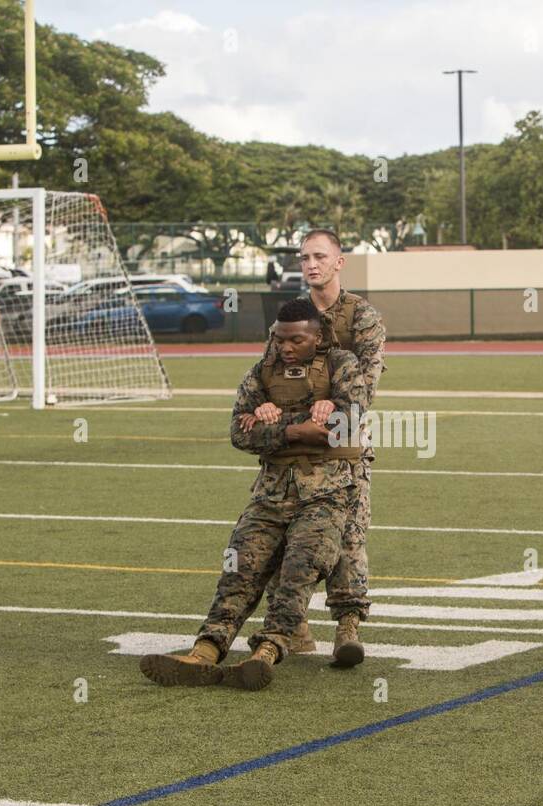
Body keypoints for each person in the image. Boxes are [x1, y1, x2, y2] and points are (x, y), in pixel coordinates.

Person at [139, 298, 367, 690]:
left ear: (316, 338)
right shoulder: (261, 373)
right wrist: (298, 428)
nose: (286, 347)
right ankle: (206, 650)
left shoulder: (342, 366)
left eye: (296, 339)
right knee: (238, 568)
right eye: (280, 339)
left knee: (299, 573)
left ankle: (267, 652)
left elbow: (344, 425)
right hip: (270, 492)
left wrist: (277, 422)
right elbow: (239, 433)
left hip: (326, 493)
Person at [261, 228, 385, 662]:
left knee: (349, 539)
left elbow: (367, 386)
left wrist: (334, 400)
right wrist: (267, 413)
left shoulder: (361, 317)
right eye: (303, 257)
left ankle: (348, 627)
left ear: (338, 262)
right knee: (283, 538)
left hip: (345, 450)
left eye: (319, 256)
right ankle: (293, 626)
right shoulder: (289, 317)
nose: (310, 264)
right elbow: (268, 376)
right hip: (293, 450)